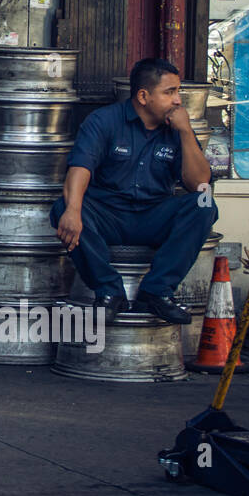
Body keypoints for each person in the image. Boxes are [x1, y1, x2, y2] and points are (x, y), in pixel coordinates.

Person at [49, 58, 219, 324]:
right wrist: (72, 210)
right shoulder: (105, 121)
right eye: (169, 92)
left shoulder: (177, 128)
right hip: (109, 216)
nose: (177, 100)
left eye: (178, 92)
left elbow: (199, 184)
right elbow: (81, 167)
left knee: (205, 203)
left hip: (154, 216)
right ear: (143, 96)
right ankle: (108, 292)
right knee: (63, 208)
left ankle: (157, 291)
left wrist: (186, 132)